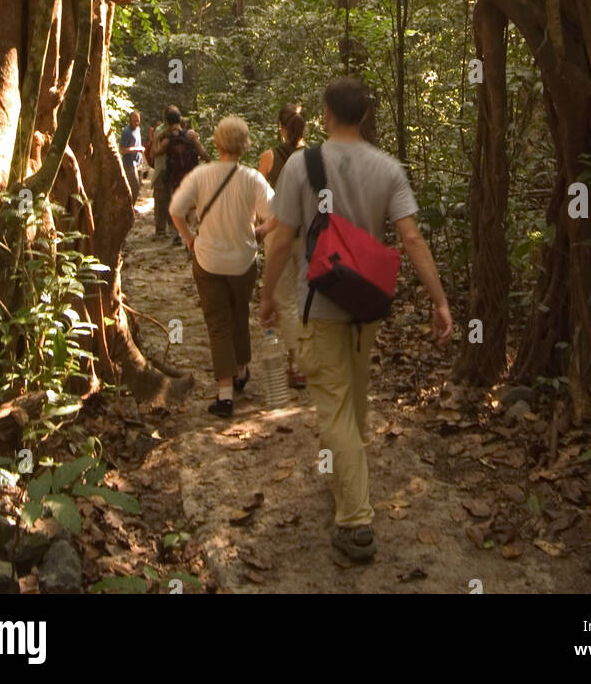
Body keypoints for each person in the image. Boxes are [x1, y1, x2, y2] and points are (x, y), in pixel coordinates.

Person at [258, 76, 453, 564]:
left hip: (318, 304)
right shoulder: (387, 167)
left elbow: (281, 240)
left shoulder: (302, 164)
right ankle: (347, 486)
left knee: (337, 411)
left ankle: (355, 523)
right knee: (354, 404)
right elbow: (411, 239)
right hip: (366, 304)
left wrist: (266, 297)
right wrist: (441, 300)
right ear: (365, 116)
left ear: (326, 114)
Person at [170, 116, 275, 420]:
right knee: (239, 313)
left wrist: (189, 238)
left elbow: (176, 211)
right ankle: (241, 370)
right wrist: (261, 232)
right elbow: (277, 213)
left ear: (216, 143)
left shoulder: (201, 176)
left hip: (208, 260)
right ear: (245, 145)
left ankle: (225, 395)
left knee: (218, 323)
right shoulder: (252, 178)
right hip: (243, 261)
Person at [257, 104, 307, 389]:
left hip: (278, 233)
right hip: (308, 235)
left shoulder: (269, 157)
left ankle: (296, 364)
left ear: (281, 127)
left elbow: (255, 193)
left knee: (286, 299)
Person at [163, 114, 209, 245]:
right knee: (193, 208)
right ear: (181, 120)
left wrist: (156, 138)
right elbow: (203, 154)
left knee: (177, 207)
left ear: (166, 122)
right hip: (192, 178)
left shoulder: (167, 139)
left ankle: (180, 234)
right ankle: (193, 236)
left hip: (175, 179)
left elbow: (155, 153)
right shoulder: (191, 136)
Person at [119, 110, 143, 202]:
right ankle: (130, 206)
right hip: (129, 164)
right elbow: (122, 150)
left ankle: (132, 205)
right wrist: (137, 149)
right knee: (134, 186)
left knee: (138, 186)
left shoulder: (138, 129)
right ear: (130, 120)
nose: (137, 123)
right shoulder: (126, 132)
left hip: (138, 162)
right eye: (134, 121)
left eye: (138, 120)